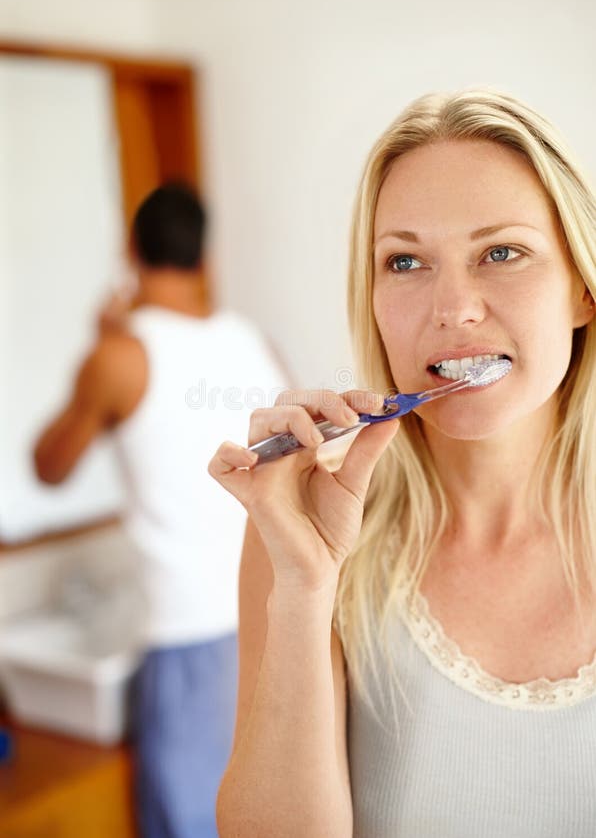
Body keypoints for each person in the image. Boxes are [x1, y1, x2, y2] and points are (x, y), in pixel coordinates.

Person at [208, 88, 596, 837]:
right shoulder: (300, 535)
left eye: (503, 252)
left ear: (582, 286)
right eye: (407, 260)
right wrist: (303, 586)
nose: (452, 308)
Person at [33, 182, 287, 838]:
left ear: (131, 250)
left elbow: (49, 467)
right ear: (205, 255)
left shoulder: (119, 356)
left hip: (186, 631)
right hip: (271, 611)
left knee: (189, 820)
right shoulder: (251, 341)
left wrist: (97, 349)